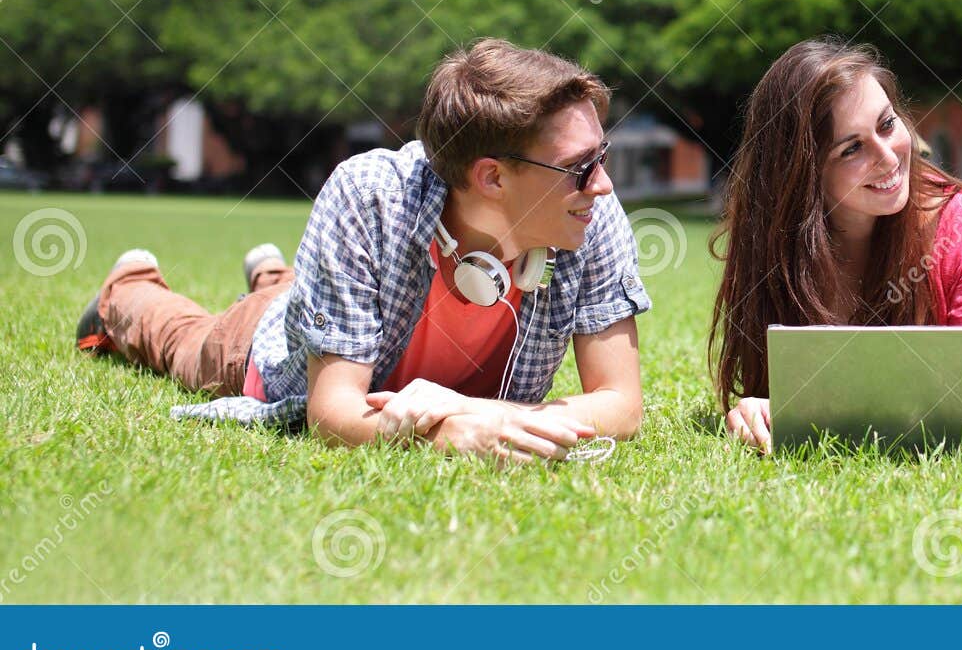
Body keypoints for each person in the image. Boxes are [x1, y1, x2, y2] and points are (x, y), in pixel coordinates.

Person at [75, 39, 650, 463]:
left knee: (299, 290)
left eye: (600, 157)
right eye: (580, 167)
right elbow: (333, 414)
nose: (602, 184)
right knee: (184, 339)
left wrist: (484, 414)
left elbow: (620, 405)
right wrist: (445, 435)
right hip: (266, 347)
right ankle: (128, 288)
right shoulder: (368, 197)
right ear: (492, 177)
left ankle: (274, 273)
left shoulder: (584, 213)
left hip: (340, 311)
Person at [710, 37, 962, 453]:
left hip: (955, 311)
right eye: (852, 148)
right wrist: (757, 410)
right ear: (802, 172)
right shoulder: (773, 238)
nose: (888, 157)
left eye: (887, 124)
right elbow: (776, 391)